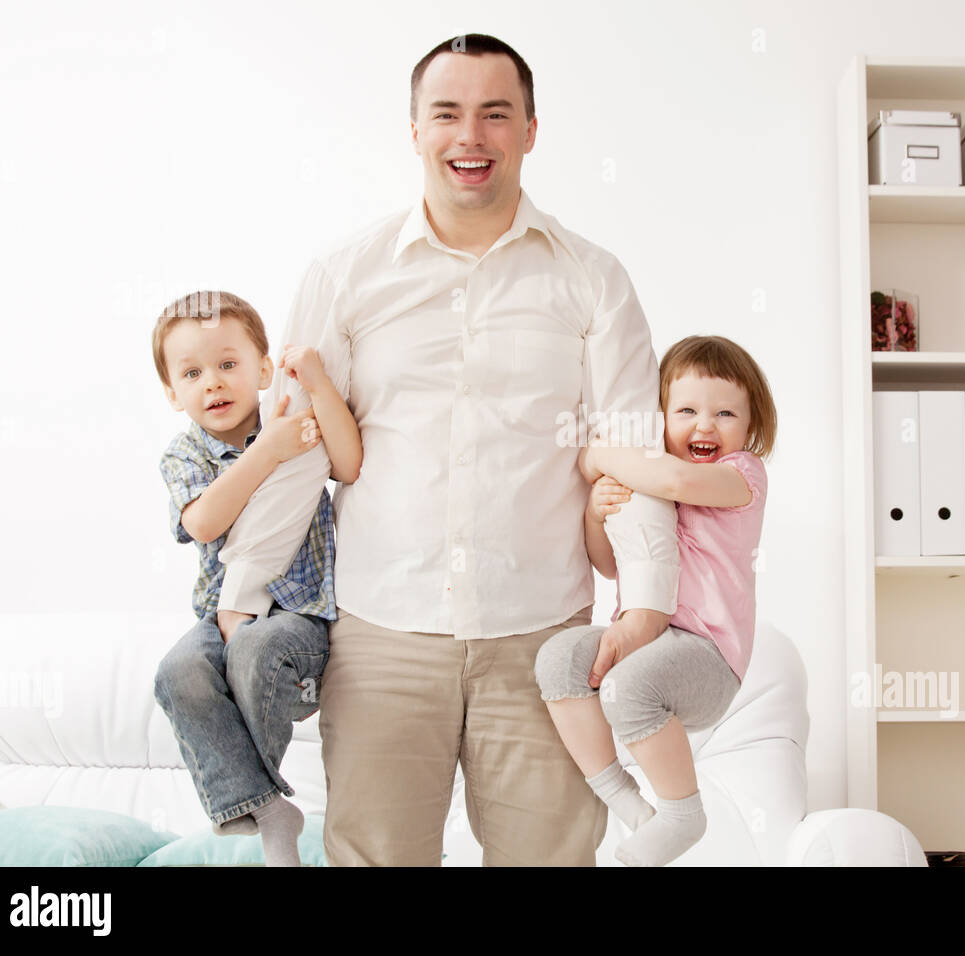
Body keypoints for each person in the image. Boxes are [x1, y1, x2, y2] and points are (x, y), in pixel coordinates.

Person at [211, 34, 682, 866]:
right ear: (415, 131)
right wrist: (244, 588)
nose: (472, 136)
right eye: (448, 114)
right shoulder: (344, 273)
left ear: (531, 129)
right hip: (380, 632)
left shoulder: (593, 278)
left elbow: (630, 445)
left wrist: (644, 600)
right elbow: (296, 451)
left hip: (543, 634)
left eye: (495, 114)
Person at [536, 335, 776, 866]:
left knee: (627, 687)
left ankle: (682, 814)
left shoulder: (741, 476)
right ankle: (623, 799)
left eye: (725, 413)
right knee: (558, 659)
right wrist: (597, 513)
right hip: (647, 641)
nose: (705, 426)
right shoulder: (646, 486)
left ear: (751, 425)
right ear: (659, 416)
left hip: (708, 657)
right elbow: (606, 564)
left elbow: (674, 477)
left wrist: (597, 455)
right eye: (686, 410)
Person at [151, 290, 363, 866]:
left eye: (227, 365)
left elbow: (347, 466)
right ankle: (268, 808)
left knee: (256, 646)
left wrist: (317, 386)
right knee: (177, 671)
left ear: (263, 369)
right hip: (215, 614)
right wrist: (263, 454)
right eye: (192, 373)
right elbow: (203, 521)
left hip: (296, 618)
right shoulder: (184, 455)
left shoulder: (294, 422)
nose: (212, 383)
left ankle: (281, 730)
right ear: (173, 393)